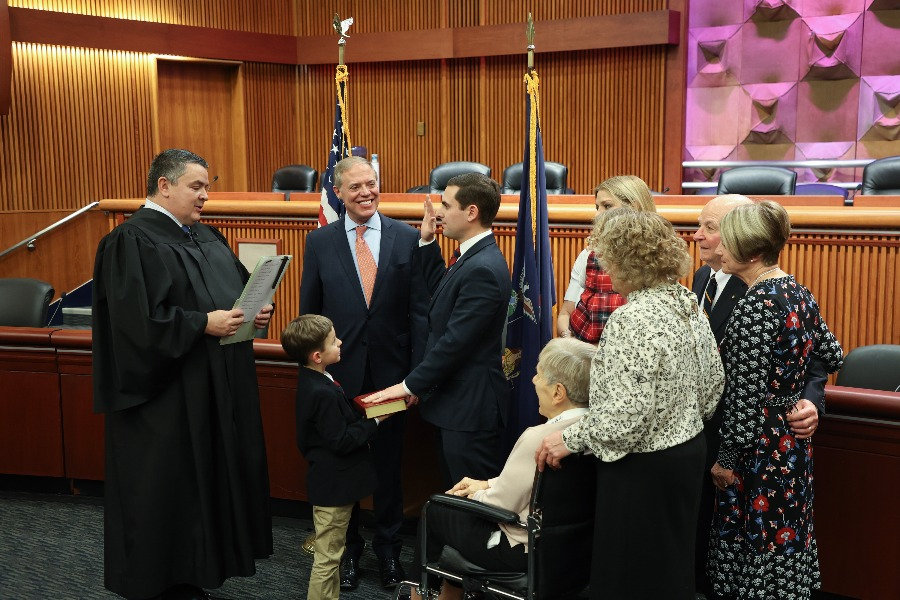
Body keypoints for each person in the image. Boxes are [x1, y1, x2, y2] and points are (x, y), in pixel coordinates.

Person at [92, 149, 273, 600]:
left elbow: (231, 293)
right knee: (166, 489)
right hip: (164, 398)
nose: (205, 196)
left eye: (207, 186)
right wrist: (201, 324)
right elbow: (133, 326)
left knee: (200, 484)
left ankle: (193, 573)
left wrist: (252, 314)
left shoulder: (204, 235)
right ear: (163, 186)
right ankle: (158, 583)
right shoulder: (130, 241)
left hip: (208, 387)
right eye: (196, 186)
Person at [536, 208, 724, 599]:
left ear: (623, 261)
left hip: (642, 470)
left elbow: (623, 419)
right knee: (670, 572)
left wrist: (569, 440)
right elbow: (712, 387)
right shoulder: (686, 300)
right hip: (687, 456)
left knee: (628, 576)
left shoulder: (631, 318)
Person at [299, 156, 444, 589]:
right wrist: (316, 372)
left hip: (392, 376)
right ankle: (347, 554)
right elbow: (311, 313)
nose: (366, 193)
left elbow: (421, 312)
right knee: (344, 468)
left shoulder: (405, 238)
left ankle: (388, 554)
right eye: (355, 187)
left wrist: (417, 375)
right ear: (338, 193)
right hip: (339, 378)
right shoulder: (320, 242)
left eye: (371, 184)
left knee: (387, 467)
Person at [691, 194, 827, 597]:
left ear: (746, 241)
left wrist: (804, 398)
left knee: (753, 541)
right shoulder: (795, 291)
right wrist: (786, 388)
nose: (699, 236)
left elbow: (748, 395)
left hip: (751, 446)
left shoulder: (756, 300)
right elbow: (830, 349)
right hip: (775, 446)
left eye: (715, 229)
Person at [408, 337, 595, 600]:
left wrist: (469, 495)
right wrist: (484, 484)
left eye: (539, 374)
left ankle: (418, 591)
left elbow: (499, 508)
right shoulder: (597, 434)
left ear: (558, 392)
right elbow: (532, 486)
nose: (532, 380)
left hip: (519, 549)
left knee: (437, 509)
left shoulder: (538, 437)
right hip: (573, 550)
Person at [368, 173, 512, 488]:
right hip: (455, 407)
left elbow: (454, 343)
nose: (438, 213)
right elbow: (442, 297)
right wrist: (428, 242)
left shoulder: (483, 269)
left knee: (470, 511)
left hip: (470, 413)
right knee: (455, 505)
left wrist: (408, 387)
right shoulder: (472, 257)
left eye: (446, 205)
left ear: (471, 212)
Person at [281, 314, 381, 600]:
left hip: (331, 483)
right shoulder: (321, 392)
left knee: (332, 555)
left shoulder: (316, 378)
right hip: (333, 489)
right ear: (316, 355)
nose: (340, 342)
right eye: (333, 340)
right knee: (328, 559)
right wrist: (374, 422)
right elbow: (340, 440)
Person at [556, 175, 656, 342]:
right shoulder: (589, 255)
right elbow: (566, 313)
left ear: (634, 207)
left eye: (607, 206)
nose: (597, 215)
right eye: (597, 207)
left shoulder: (658, 258)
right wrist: (569, 341)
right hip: (584, 350)